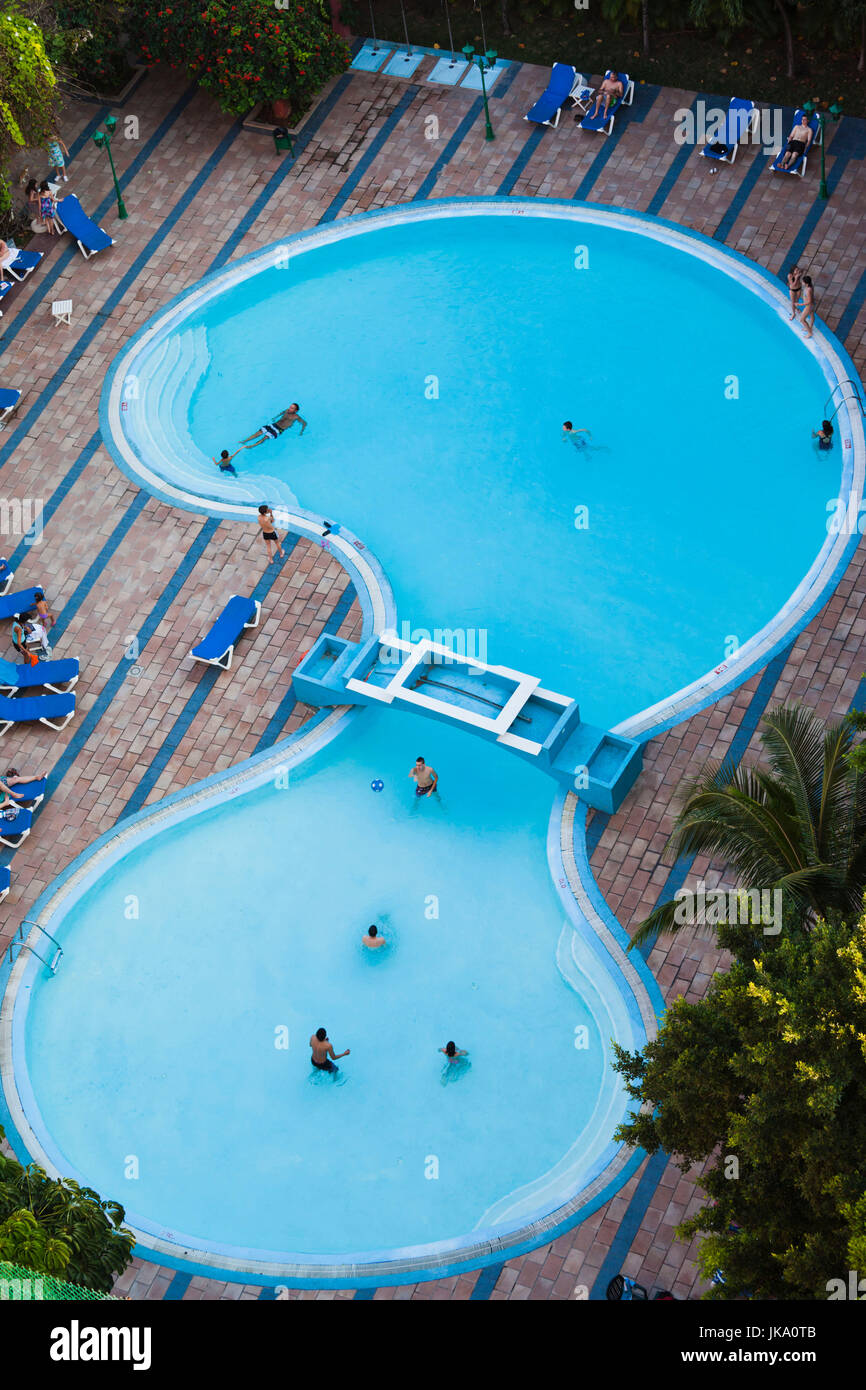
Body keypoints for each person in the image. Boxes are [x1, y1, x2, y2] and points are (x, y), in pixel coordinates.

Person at [240, 403, 307, 449]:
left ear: (296, 410)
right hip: (274, 424)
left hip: (280, 429)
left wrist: (302, 431)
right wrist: (275, 417)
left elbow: (304, 423)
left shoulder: (296, 417)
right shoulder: (286, 410)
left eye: (292, 408)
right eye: (290, 407)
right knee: (259, 432)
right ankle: (245, 441)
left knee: (265, 437)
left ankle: (252, 446)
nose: (289, 408)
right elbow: (281, 413)